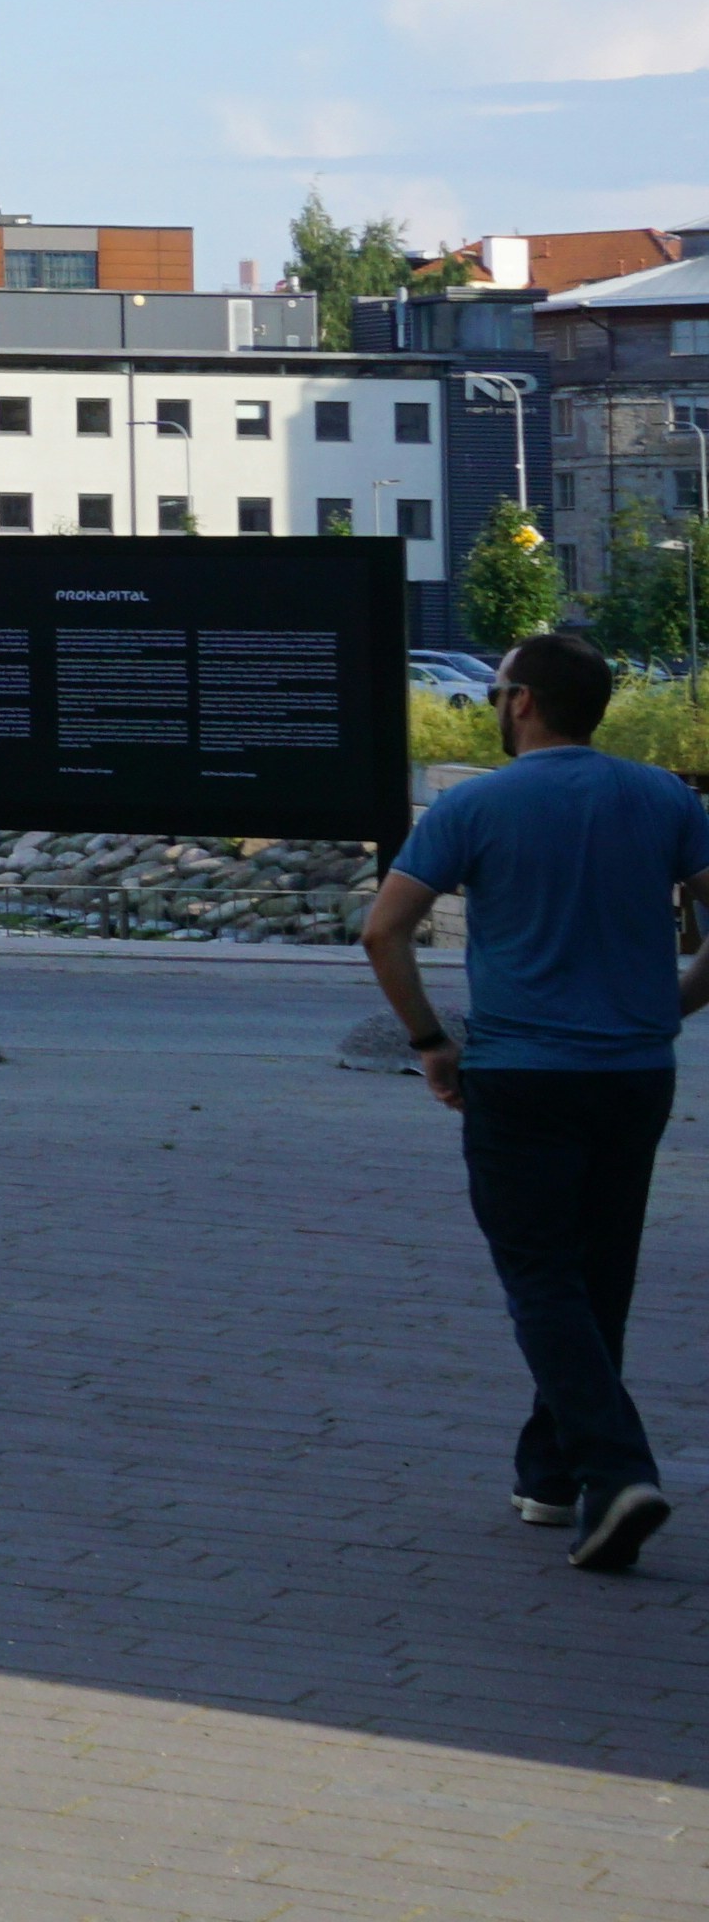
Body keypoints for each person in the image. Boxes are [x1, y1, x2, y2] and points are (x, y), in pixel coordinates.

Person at [362, 629, 709, 1577]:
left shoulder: (477, 805)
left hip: (519, 1075)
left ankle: (619, 1470)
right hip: (637, 1075)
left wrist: (432, 1043)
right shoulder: (664, 797)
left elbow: (384, 932)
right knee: (600, 1277)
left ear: (519, 702)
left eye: (495, 690)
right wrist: (666, 1003)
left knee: (543, 1279)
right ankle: (552, 1477)